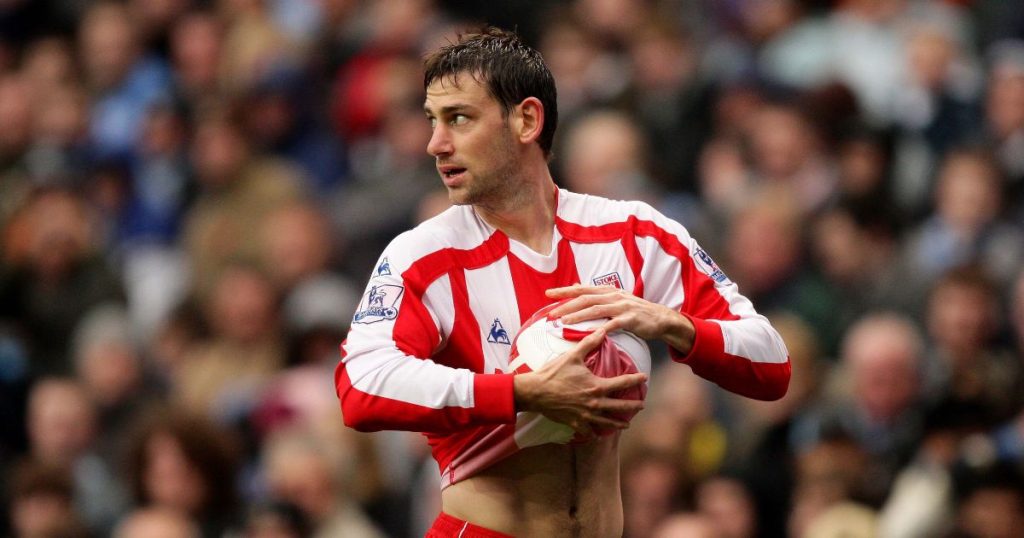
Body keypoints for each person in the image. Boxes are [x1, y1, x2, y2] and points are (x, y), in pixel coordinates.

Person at [334, 27, 790, 537]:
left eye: (458, 119)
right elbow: (359, 387)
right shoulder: (423, 255)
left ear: (527, 119)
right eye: (432, 121)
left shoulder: (635, 233)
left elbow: (772, 363)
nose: (435, 144)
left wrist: (671, 323)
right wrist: (522, 392)